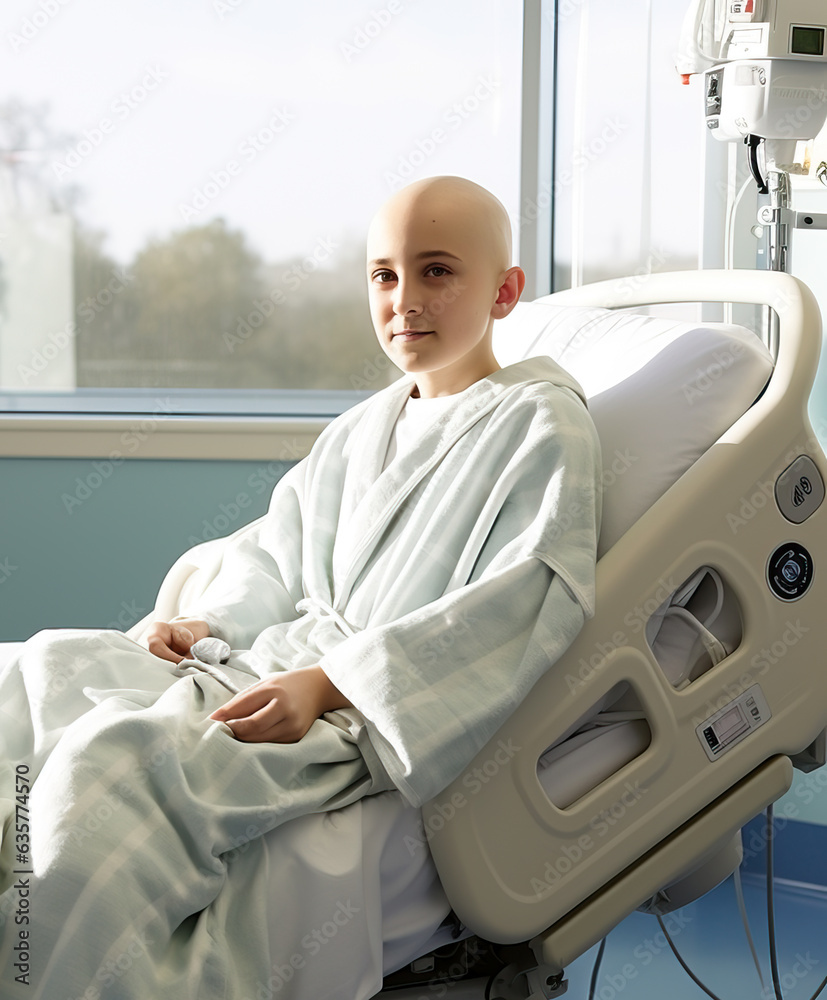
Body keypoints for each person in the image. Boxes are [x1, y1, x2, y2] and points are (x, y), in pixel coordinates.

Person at [0, 175, 602, 999]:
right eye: (384, 275)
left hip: (346, 706)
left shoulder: (540, 423)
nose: (403, 300)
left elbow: (522, 599)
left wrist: (327, 685)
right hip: (258, 660)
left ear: (503, 292)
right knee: (40, 668)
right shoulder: (365, 427)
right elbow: (278, 556)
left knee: (113, 765)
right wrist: (205, 623)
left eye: (435, 271)